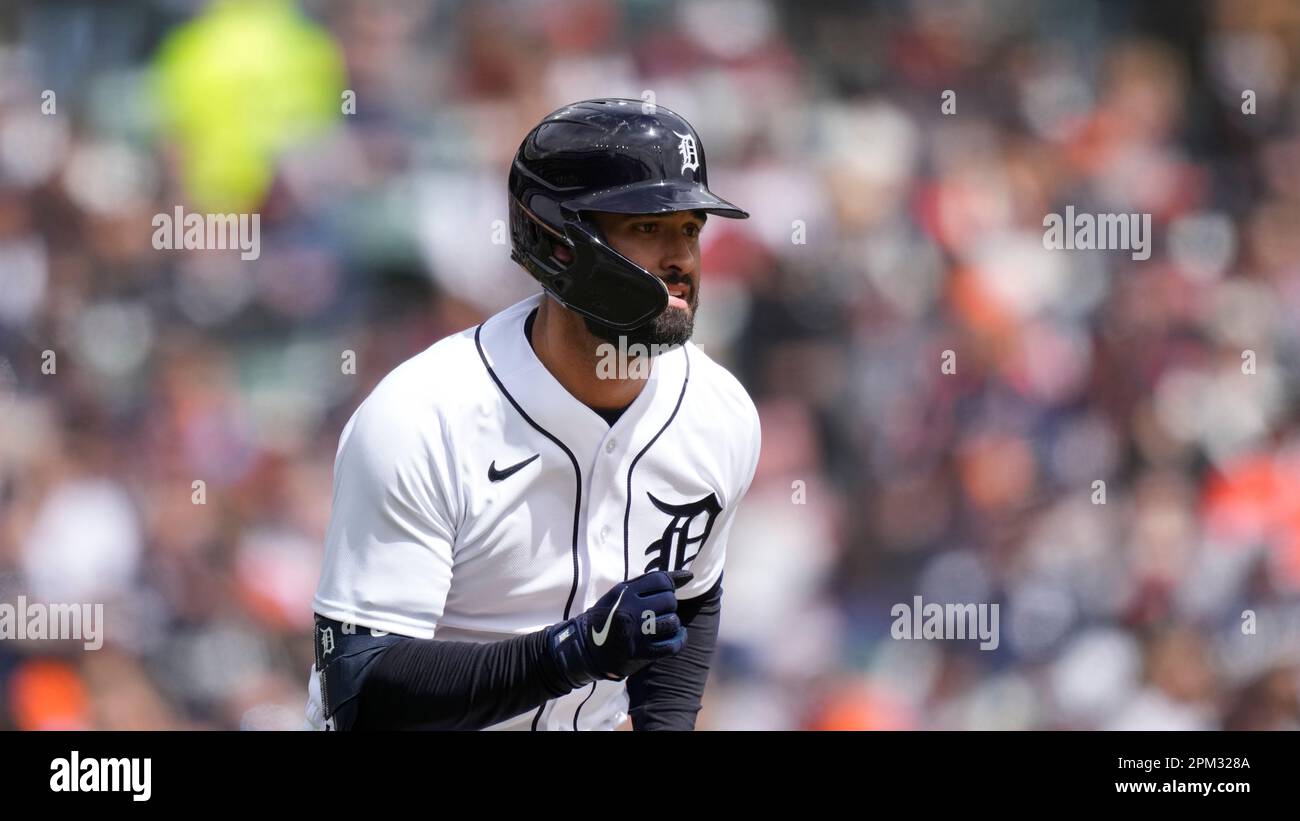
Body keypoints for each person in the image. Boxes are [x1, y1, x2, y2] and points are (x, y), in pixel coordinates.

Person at [305, 98, 761, 730]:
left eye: (690, 229)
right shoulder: (423, 416)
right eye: (648, 228)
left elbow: (689, 601)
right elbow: (359, 689)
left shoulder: (719, 413)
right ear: (560, 244)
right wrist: (569, 654)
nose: (681, 260)